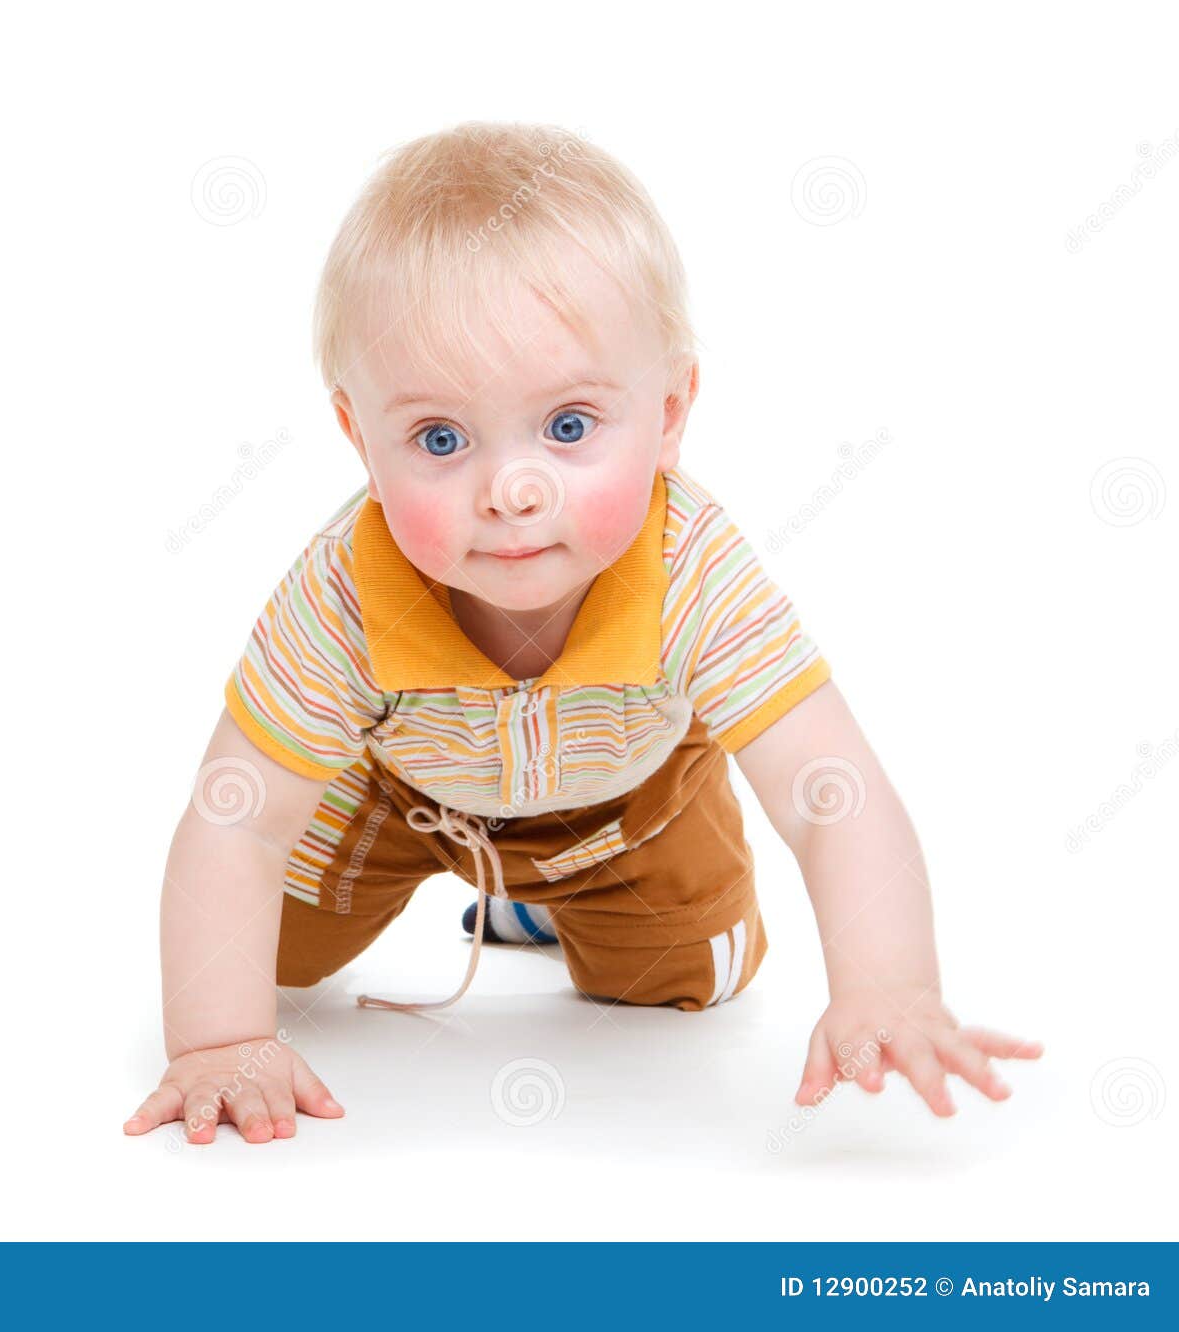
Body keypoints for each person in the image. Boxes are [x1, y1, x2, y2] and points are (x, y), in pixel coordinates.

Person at [126, 121, 1042, 1146]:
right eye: (439, 439)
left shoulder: (691, 567)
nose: (510, 491)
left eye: (567, 427)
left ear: (669, 411)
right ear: (358, 437)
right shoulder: (344, 588)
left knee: (695, 981)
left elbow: (831, 791)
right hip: (401, 792)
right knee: (262, 954)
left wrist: (890, 986)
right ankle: (491, 879)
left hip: (632, 796)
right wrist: (215, 1042)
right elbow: (238, 818)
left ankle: (540, 896)